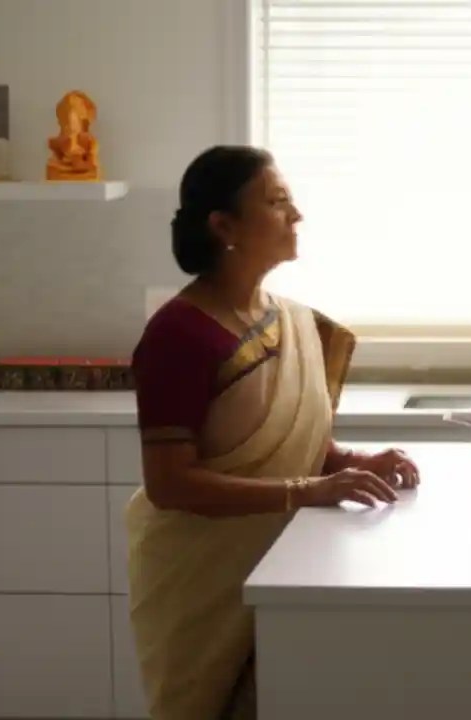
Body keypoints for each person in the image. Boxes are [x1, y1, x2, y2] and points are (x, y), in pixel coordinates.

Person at [124, 145, 420, 720]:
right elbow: (171, 484)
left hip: (283, 569)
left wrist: (351, 462)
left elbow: (287, 444)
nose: (296, 215)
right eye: (278, 202)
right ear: (223, 225)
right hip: (202, 585)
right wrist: (306, 492)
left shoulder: (291, 319)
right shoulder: (178, 335)